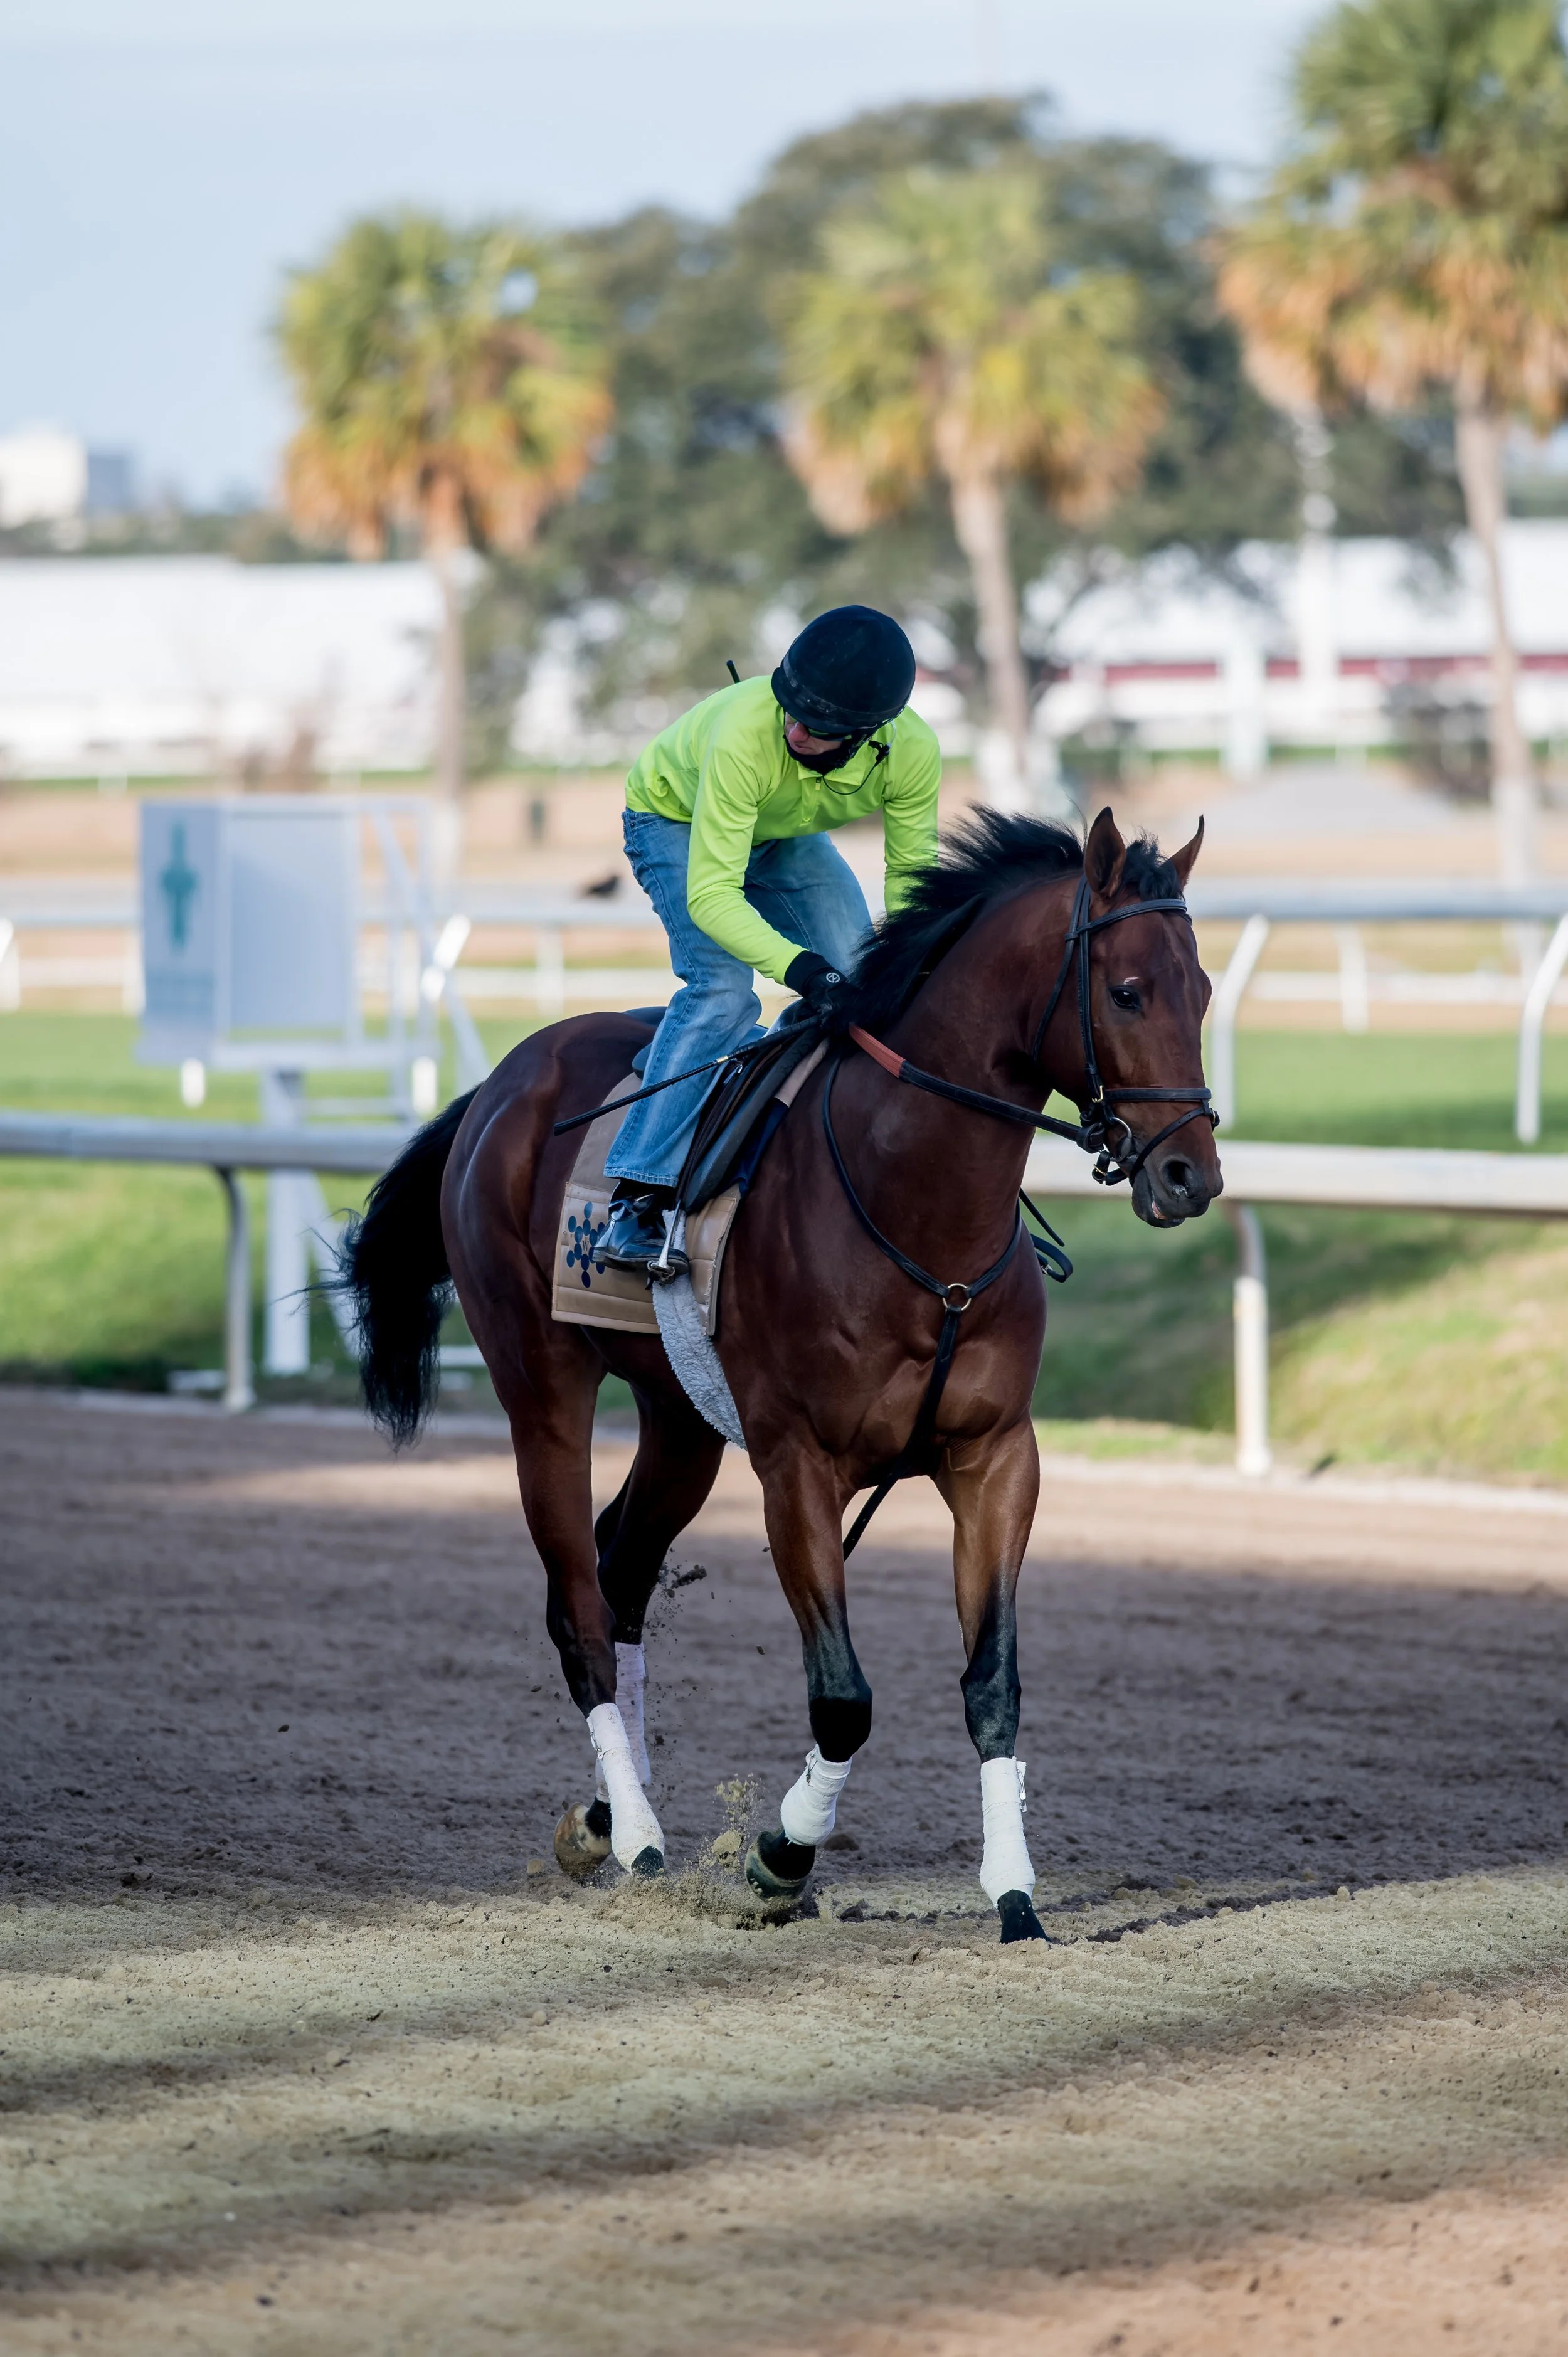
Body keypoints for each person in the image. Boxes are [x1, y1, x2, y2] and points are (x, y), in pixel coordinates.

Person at [595, 604, 941, 1276]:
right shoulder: (745, 733)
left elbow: (911, 878)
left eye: (815, 725)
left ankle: (796, 1124)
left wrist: (908, 964)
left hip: (782, 834)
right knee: (722, 990)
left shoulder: (914, 753)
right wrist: (800, 969)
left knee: (869, 984)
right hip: (671, 817)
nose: (793, 725)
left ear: (868, 732)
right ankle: (638, 1196)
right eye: (788, 706)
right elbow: (713, 895)